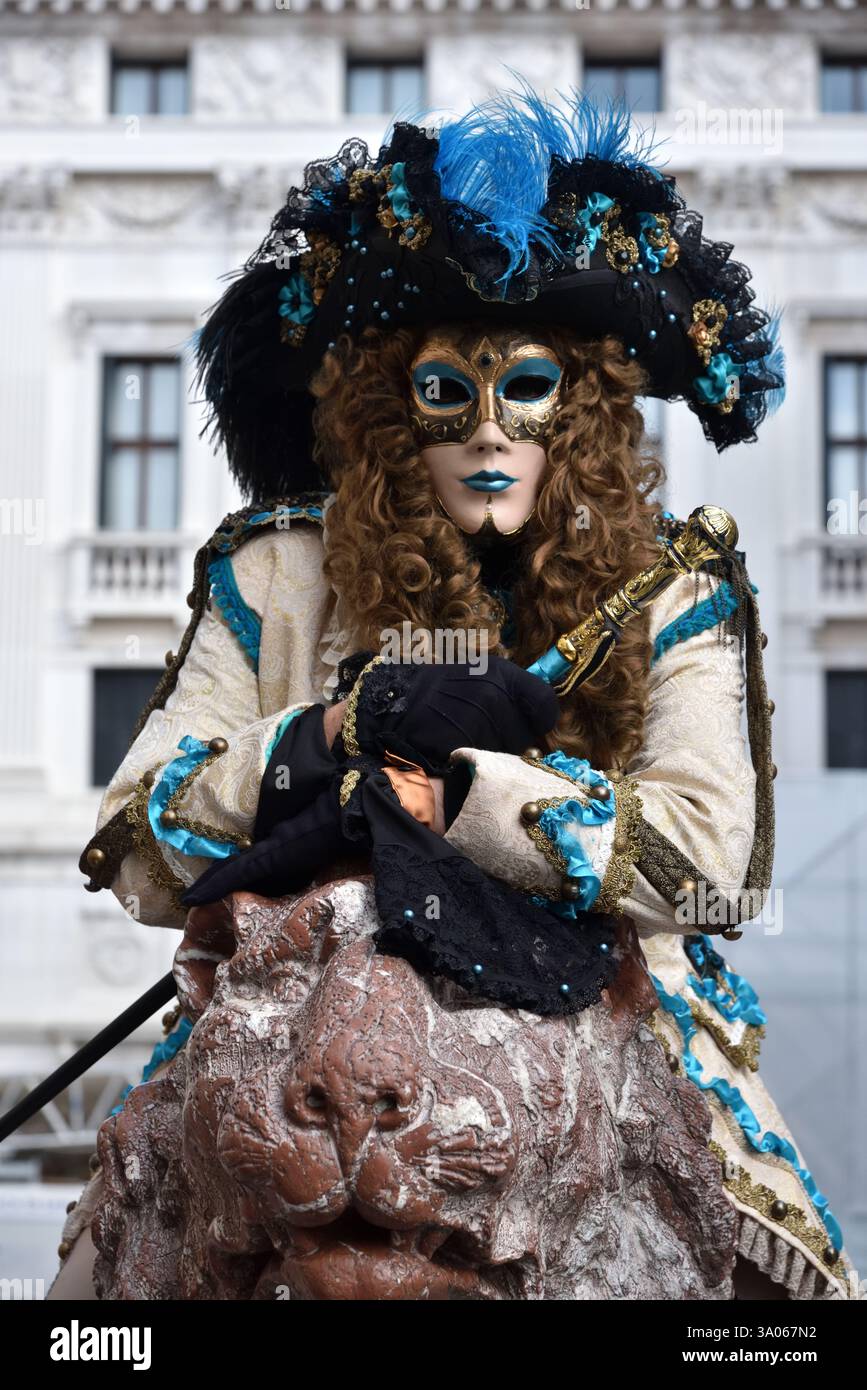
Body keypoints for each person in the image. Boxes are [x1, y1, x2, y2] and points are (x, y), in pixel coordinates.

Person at [62, 87, 850, 1299]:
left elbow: (709, 860)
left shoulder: (666, 590)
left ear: (576, 411)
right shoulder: (277, 575)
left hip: (609, 1012)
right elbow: (132, 841)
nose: (489, 430)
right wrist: (325, 737)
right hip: (291, 1001)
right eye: (446, 392)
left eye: (525, 387)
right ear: (389, 412)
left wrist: (469, 799)